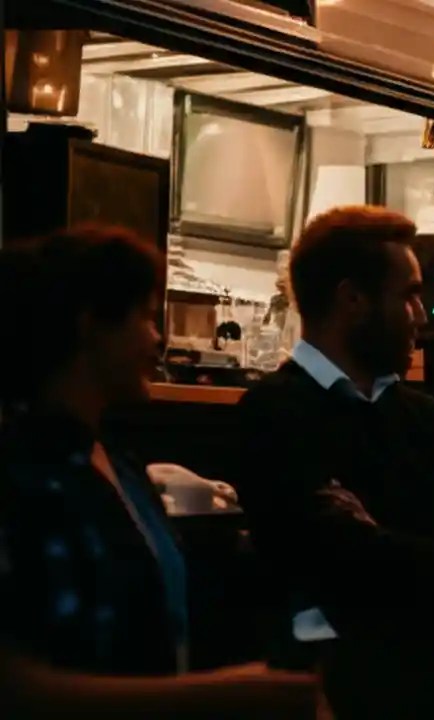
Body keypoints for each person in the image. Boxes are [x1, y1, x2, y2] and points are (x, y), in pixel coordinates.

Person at [0, 225, 317, 718]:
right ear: (89, 327)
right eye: (146, 318)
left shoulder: (119, 466)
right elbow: (15, 688)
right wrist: (215, 696)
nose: (158, 338)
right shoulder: (24, 476)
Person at [231, 206, 434, 719]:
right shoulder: (274, 413)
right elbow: (336, 567)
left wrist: (382, 545)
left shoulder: (425, 416)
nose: (422, 314)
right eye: (410, 295)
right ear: (353, 299)